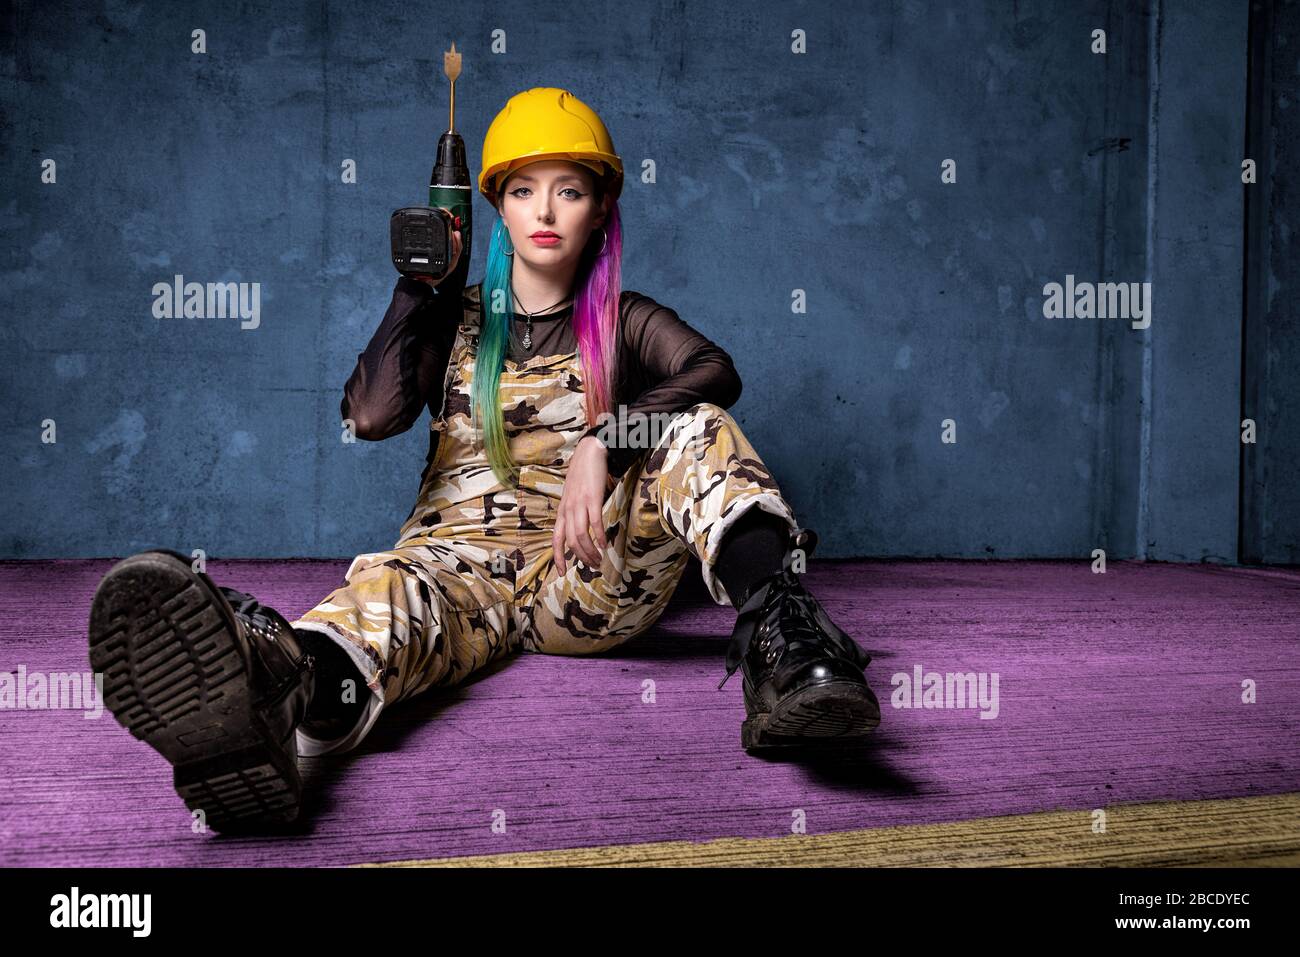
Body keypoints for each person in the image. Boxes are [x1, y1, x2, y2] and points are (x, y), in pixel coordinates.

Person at [86, 87, 880, 834]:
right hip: (457, 575)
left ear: (602, 208)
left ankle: (788, 646)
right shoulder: (455, 320)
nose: (545, 210)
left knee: (696, 425)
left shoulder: (625, 320)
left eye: (568, 190)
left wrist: (608, 438)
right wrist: (420, 289)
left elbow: (716, 372)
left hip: (582, 581)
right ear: (494, 205)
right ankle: (284, 695)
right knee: (389, 599)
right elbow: (369, 415)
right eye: (524, 189)